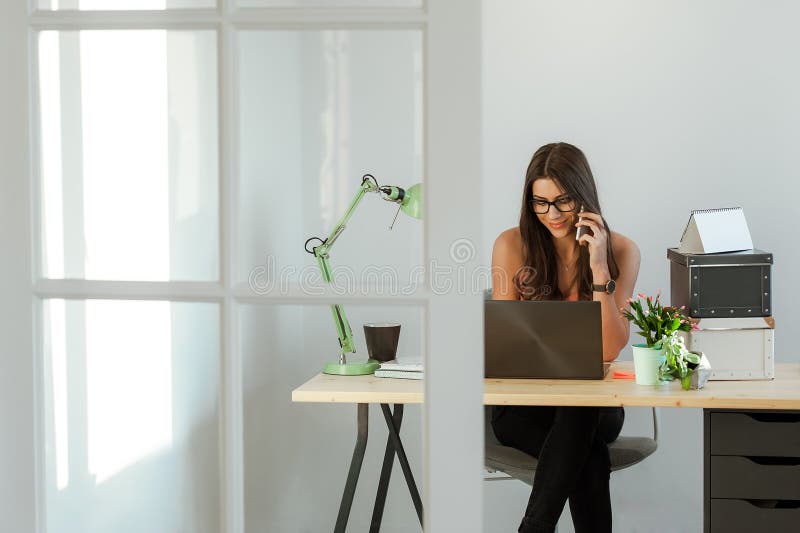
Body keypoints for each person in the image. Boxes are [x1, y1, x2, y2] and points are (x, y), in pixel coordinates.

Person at [490, 142, 640, 533]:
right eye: (540, 202)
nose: (551, 215)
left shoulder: (622, 251)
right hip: (523, 407)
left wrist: (599, 270)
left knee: (580, 406)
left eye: (562, 201)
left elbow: (609, 349)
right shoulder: (511, 245)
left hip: (595, 407)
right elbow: (505, 348)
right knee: (588, 457)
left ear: (583, 195)